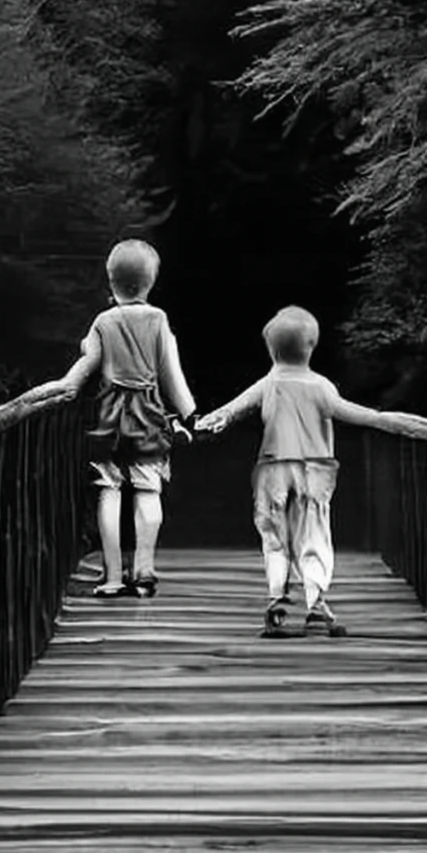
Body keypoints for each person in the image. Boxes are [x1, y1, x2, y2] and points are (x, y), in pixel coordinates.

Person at [196, 305, 404, 638]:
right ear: (311, 346)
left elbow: (233, 409)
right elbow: (348, 412)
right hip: (314, 469)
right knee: (314, 535)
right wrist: (383, 419)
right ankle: (316, 602)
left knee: (276, 539)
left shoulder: (270, 382)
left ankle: (277, 599)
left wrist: (210, 421)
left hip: (274, 467)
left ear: (271, 349)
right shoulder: (320, 386)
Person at [23, 240, 197, 598]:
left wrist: (61, 382)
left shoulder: (103, 321)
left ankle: (113, 577)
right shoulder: (159, 320)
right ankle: (144, 573)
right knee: (148, 491)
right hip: (147, 416)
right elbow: (170, 371)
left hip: (109, 416)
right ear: (150, 282)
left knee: (109, 492)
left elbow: (84, 364)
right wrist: (189, 413)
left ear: (110, 280)